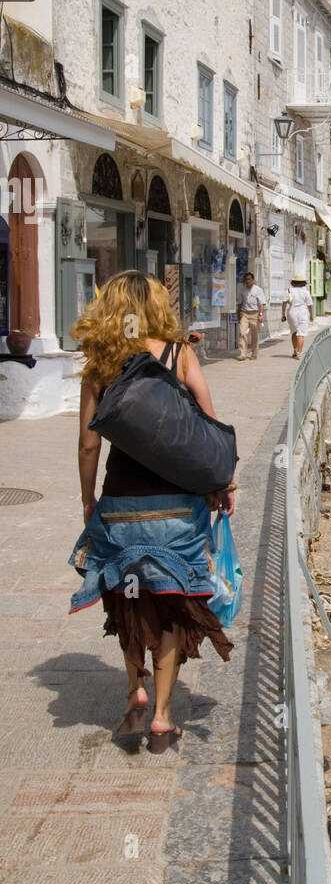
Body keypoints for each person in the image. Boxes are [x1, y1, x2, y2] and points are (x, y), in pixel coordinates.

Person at [69, 271, 235, 754]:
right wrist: (221, 483)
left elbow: (87, 443)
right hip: (177, 504)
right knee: (171, 603)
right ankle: (162, 717)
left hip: (121, 502)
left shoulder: (100, 363)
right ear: (158, 307)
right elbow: (207, 422)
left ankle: (134, 692)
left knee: (128, 599)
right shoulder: (178, 353)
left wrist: (88, 499)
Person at [282, 273, 315, 358]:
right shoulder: (306, 292)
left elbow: (284, 303)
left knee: (294, 332)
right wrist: (311, 315)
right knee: (301, 334)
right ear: (303, 282)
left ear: (293, 282)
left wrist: (283, 314)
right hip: (303, 312)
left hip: (291, 312)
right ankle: (299, 354)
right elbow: (310, 305)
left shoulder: (289, 290)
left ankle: (295, 350)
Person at [237, 271, 266, 360]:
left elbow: (262, 304)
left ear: (253, 280)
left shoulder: (258, 290)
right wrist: (238, 315)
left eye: (249, 279)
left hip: (255, 314)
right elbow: (240, 304)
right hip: (245, 314)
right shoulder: (242, 290)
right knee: (242, 333)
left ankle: (254, 353)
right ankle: (242, 354)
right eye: (246, 280)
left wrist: (260, 315)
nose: (248, 281)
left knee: (255, 335)